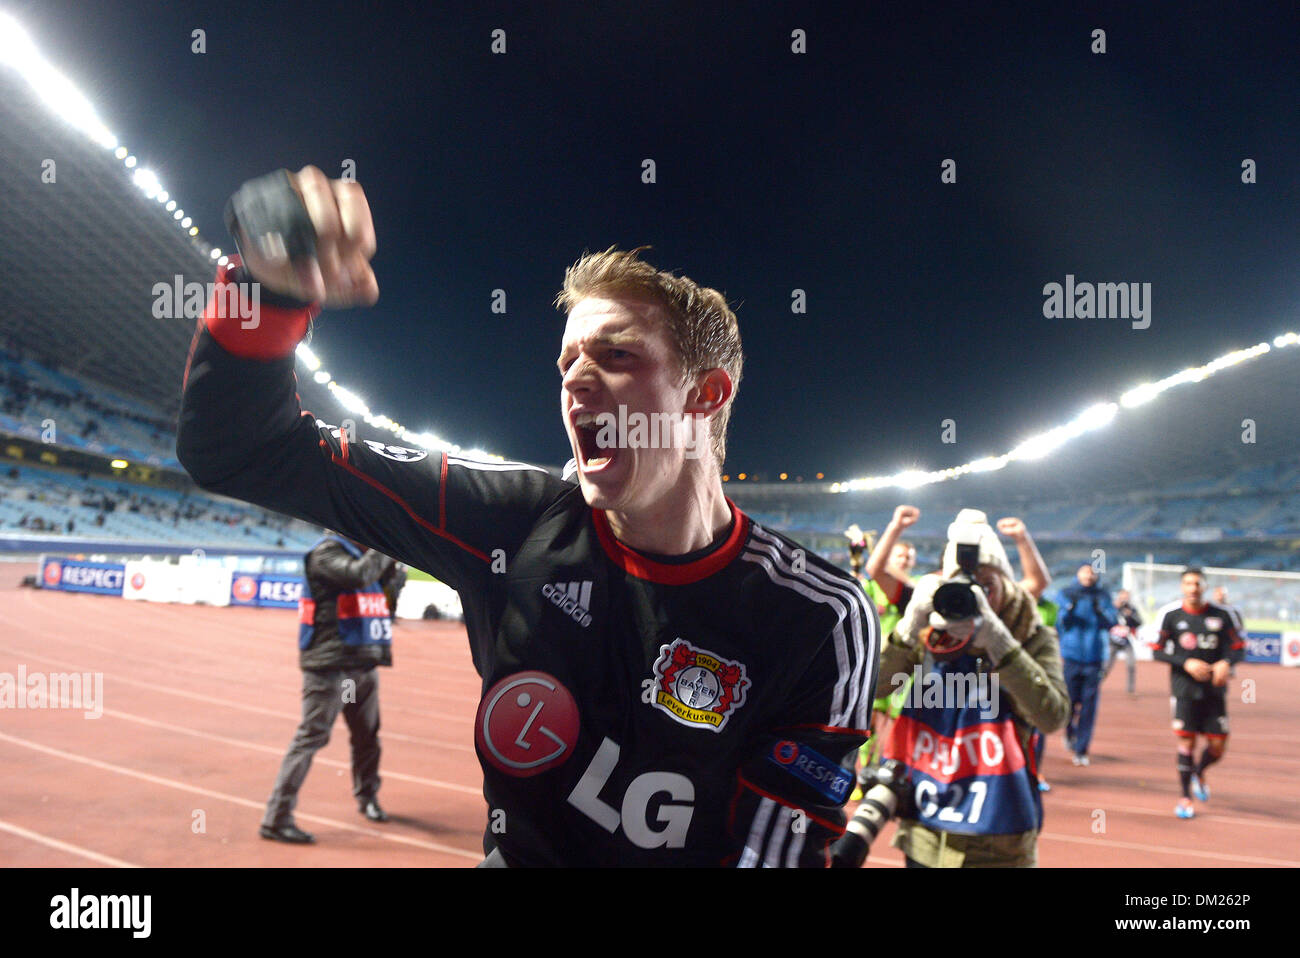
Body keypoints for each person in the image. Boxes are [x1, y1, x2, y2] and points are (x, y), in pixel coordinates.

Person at [178, 166, 878, 866]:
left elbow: (775, 855)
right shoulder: (511, 523)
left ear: (705, 394)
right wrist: (264, 290)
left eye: (616, 354)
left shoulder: (819, 615)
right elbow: (246, 449)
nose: (574, 378)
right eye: (567, 359)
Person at [838, 509, 1069, 867]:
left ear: (1006, 582)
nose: (976, 597)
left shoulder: (1033, 634)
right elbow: (871, 691)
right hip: (925, 830)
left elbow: (1052, 716)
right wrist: (907, 629)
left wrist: (999, 643)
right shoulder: (933, 630)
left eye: (986, 586)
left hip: (999, 836)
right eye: (962, 585)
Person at [260, 534, 396, 843]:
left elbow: (385, 600)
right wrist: (387, 544)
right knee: (311, 737)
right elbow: (358, 575)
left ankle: (368, 798)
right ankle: (276, 818)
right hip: (330, 668)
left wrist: (393, 575)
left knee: (366, 738)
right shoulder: (325, 554)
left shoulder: (363, 557)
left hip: (361, 664)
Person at [1151, 569, 1244, 819]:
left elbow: (1239, 648)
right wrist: (1186, 662)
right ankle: (1185, 798)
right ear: (1182, 586)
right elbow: (1156, 651)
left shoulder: (1224, 615)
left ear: (1205, 586)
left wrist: (1226, 662)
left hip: (1214, 691)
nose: (1193, 588)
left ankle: (1199, 772)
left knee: (1218, 745)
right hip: (1184, 690)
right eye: (1188, 583)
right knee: (1186, 743)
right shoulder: (1170, 615)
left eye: (1197, 583)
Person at [1055, 564, 1117, 766]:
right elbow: (1060, 623)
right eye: (1084, 571)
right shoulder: (1065, 594)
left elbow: (1112, 622)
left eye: (1092, 572)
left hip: (1094, 658)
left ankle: (1082, 749)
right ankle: (1069, 732)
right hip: (1071, 657)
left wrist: (1101, 613)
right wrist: (1069, 610)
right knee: (1069, 703)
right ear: (1078, 574)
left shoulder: (1103, 596)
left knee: (1089, 706)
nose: (1088, 575)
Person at [1103, 589, 1142, 695]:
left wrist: (1130, 615)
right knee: (1106, 666)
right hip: (1113, 640)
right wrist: (1115, 608)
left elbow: (1139, 622)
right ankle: (1096, 684)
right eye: (1123, 596)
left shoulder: (1131, 609)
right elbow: (1106, 620)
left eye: (1127, 596)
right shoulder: (1112, 607)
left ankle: (1131, 689)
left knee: (1131, 664)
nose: (1125, 599)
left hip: (1125, 641)